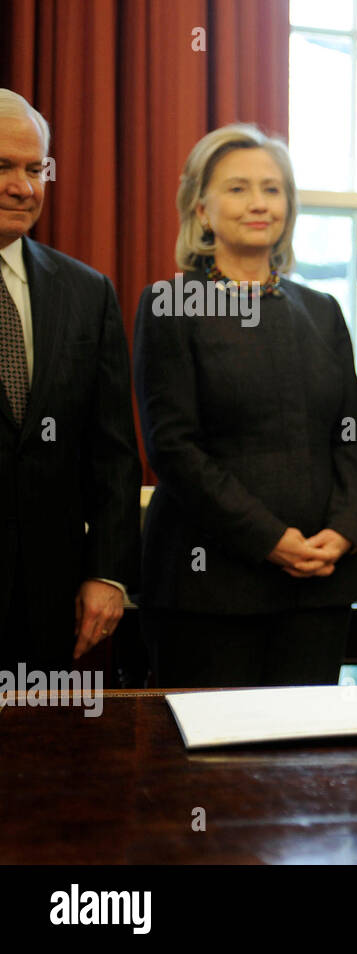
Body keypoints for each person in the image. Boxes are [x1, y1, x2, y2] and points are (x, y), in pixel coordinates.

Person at [133, 124, 357, 687]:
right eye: (238, 189)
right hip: (208, 586)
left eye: (272, 188)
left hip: (319, 580)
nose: (259, 203)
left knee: (301, 767)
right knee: (209, 770)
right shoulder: (170, 303)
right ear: (200, 205)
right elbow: (173, 447)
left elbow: (354, 433)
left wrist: (345, 529)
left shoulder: (322, 310)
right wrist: (270, 540)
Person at [0, 89, 140, 671]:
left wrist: (107, 573)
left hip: (53, 608)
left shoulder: (88, 292)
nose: (24, 186)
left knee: (56, 764)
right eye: (3, 166)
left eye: (35, 168)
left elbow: (113, 452)